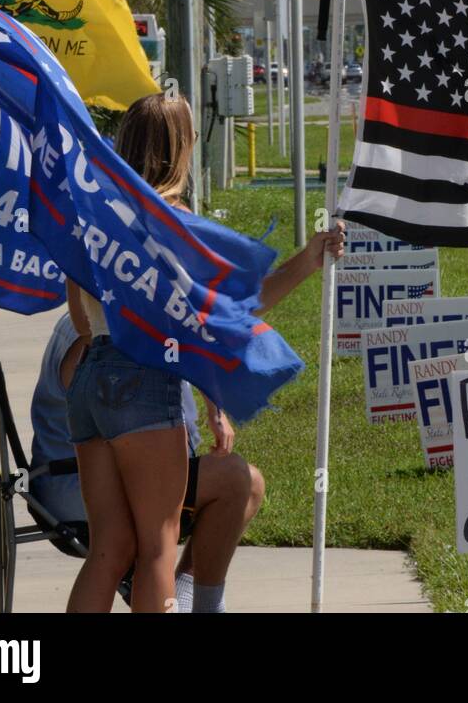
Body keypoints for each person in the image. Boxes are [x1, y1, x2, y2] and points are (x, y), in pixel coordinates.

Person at [63, 91, 344, 615]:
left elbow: (81, 319)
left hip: (89, 382)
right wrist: (306, 263)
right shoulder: (172, 221)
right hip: (142, 388)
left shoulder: (95, 214)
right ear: (181, 147)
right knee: (157, 549)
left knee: (107, 550)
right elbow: (228, 312)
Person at [30, 311, 265, 613]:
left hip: (68, 474)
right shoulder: (132, 322)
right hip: (75, 483)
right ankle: (201, 606)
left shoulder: (91, 325)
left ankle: (187, 599)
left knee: (112, 548)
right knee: (163, 543)